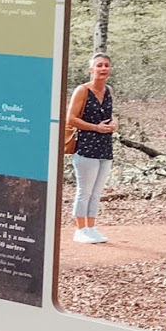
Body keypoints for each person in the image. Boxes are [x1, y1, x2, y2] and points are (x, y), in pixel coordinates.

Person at [67, 52, 117, 244]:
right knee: (84, 190)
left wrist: (114, 124)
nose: (103, 69)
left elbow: (112, 114)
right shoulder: (82, 91)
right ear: (91, 69)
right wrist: (96, 127)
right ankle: (80, 229)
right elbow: (70, 118)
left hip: (105, 147)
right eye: (99, 65)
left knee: (97, 192)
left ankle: (91, 227)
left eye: (106, 65)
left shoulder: (109, 91)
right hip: (87, 147)